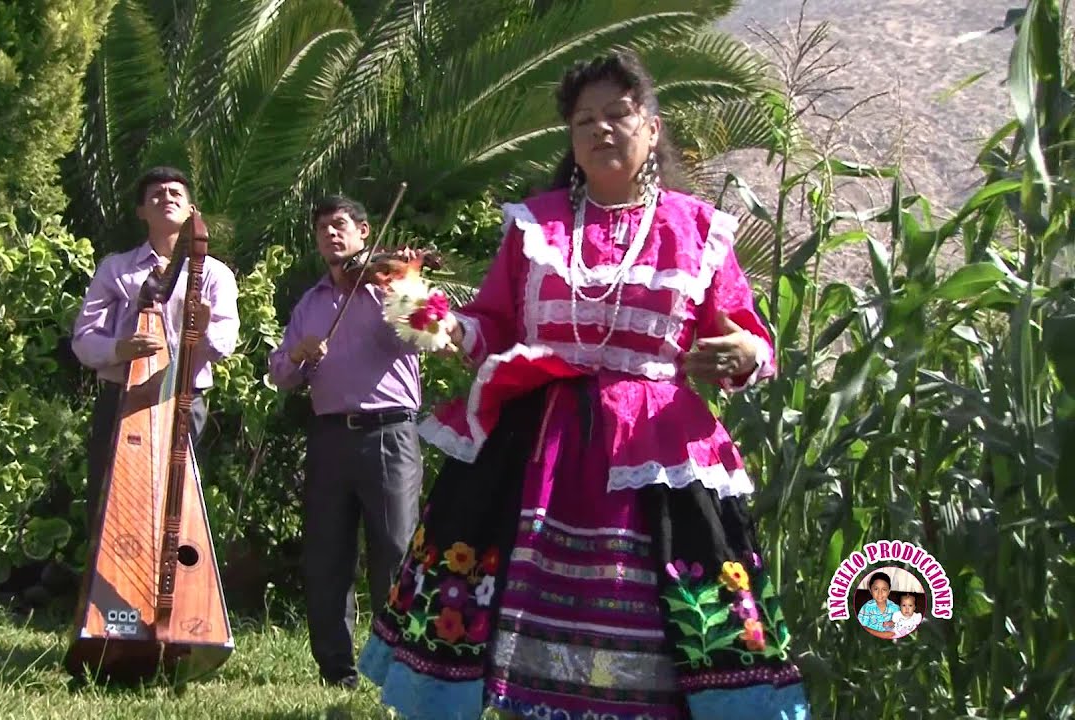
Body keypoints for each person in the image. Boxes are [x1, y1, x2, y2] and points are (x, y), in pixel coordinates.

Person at [357, 53, 810, 719]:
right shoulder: (534, 225)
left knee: (671, 620)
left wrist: (743, 348)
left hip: (656, 452)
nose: (601, 130)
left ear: (651, 129)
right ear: (570, 139)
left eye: (617, 115)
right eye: (583, 121)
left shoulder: (697, 230)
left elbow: (748, 337)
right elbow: (489, 325)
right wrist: (433, 318)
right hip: (538, 449)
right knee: (509, 607)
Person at [268, 195, 423, 690]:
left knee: (395, 551)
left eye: (339, 226)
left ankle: (397, 667)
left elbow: (422, 333)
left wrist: (399, 287)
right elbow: (280, 374)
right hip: (331, 436)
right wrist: (298, 354)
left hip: (389, 434)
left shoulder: (391, 286)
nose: (330, 235)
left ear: (363, 232)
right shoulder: (311, 302)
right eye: (321, 229)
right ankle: (337, 669)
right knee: (326, 556)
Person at [71, 166, 239, 528]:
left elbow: (225, 341)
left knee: (177, 509)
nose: (167, 199)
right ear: (141, 212)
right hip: (121, 398)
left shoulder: (213, 274)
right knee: (110, 510)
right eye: (157, 195)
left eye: (176, 194)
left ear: (192, 211)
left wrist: (203, 331)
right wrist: (120, 350)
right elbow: (84, 339)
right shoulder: (116, 269)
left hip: (183, 398)